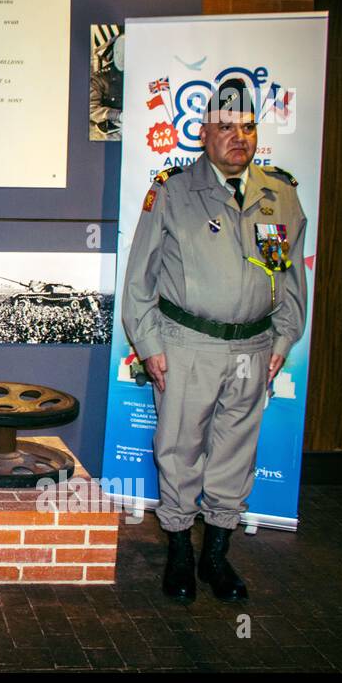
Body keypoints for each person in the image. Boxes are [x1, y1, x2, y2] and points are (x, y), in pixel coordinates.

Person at [121, 78, 308, 601]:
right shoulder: (174, 192)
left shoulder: (281, 195)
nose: (238, 137)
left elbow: (291, 277)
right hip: (186, 345)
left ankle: (216, 557)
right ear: (204, 133)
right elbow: (140, 279)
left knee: (235, 452)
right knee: (179, 450)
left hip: (253, 348)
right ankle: (179, 551)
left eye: (247, 126)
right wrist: (150, 345)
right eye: (225, 127)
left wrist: (283, 339)